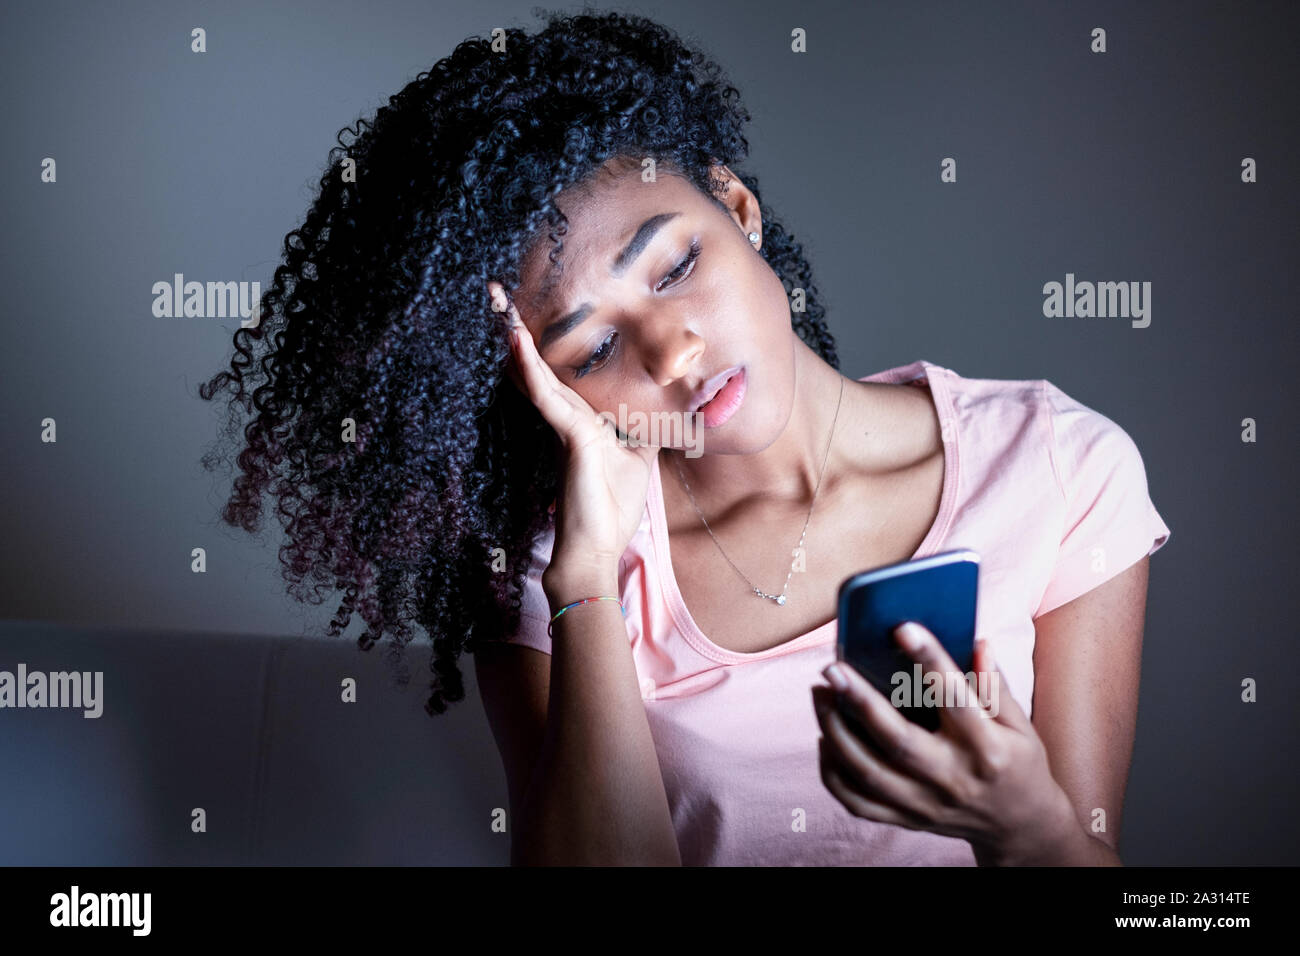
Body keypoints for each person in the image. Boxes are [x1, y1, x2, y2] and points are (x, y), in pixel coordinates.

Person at [200, 10, 1171, 867]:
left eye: (672, 266)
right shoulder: (553, 568)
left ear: (737, 207)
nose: (670, 352)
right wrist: (583, 583)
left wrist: (1023, 822)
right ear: (545, 388)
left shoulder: (1052, 465)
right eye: (592, 349)